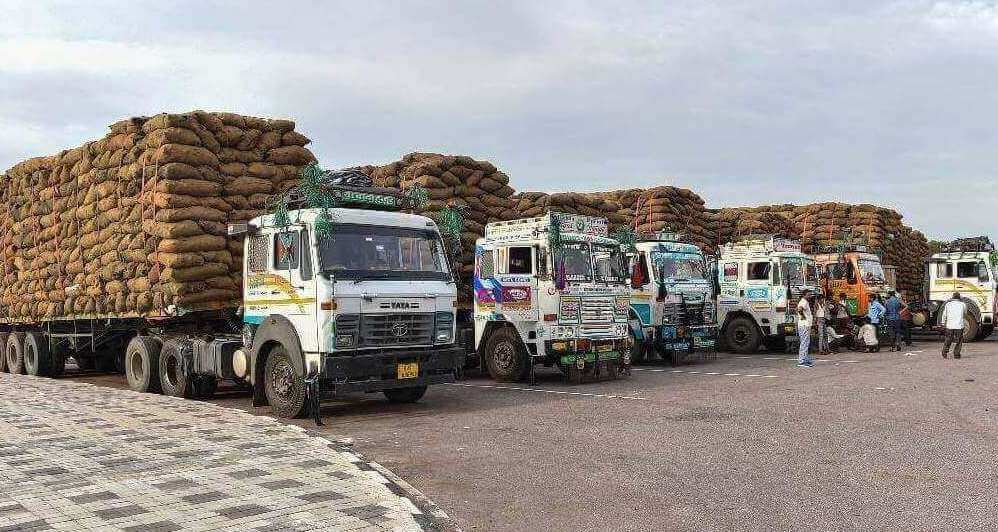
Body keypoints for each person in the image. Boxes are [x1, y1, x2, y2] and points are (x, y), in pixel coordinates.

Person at [941, 292, 967, 359]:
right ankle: (956, 354)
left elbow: (944, 315)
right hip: (959, 325)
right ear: (959, 298)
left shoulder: (948, 304)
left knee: (948, 339)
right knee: (959, 340)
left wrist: (943, 323)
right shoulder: (963, 304)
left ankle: (944, 352)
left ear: (952, 297)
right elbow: (965, 313)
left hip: (949, 325)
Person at [796, 290, 814, 367]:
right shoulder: (804, 302)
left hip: (805, 325)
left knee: (806, 342)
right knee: (804, 342)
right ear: (804, 295)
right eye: (808, 295)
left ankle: (805, 358)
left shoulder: (804, 301)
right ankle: (802, 361)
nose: (810, 296)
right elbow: (799, 309)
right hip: (804, 325)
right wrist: (802, 316)